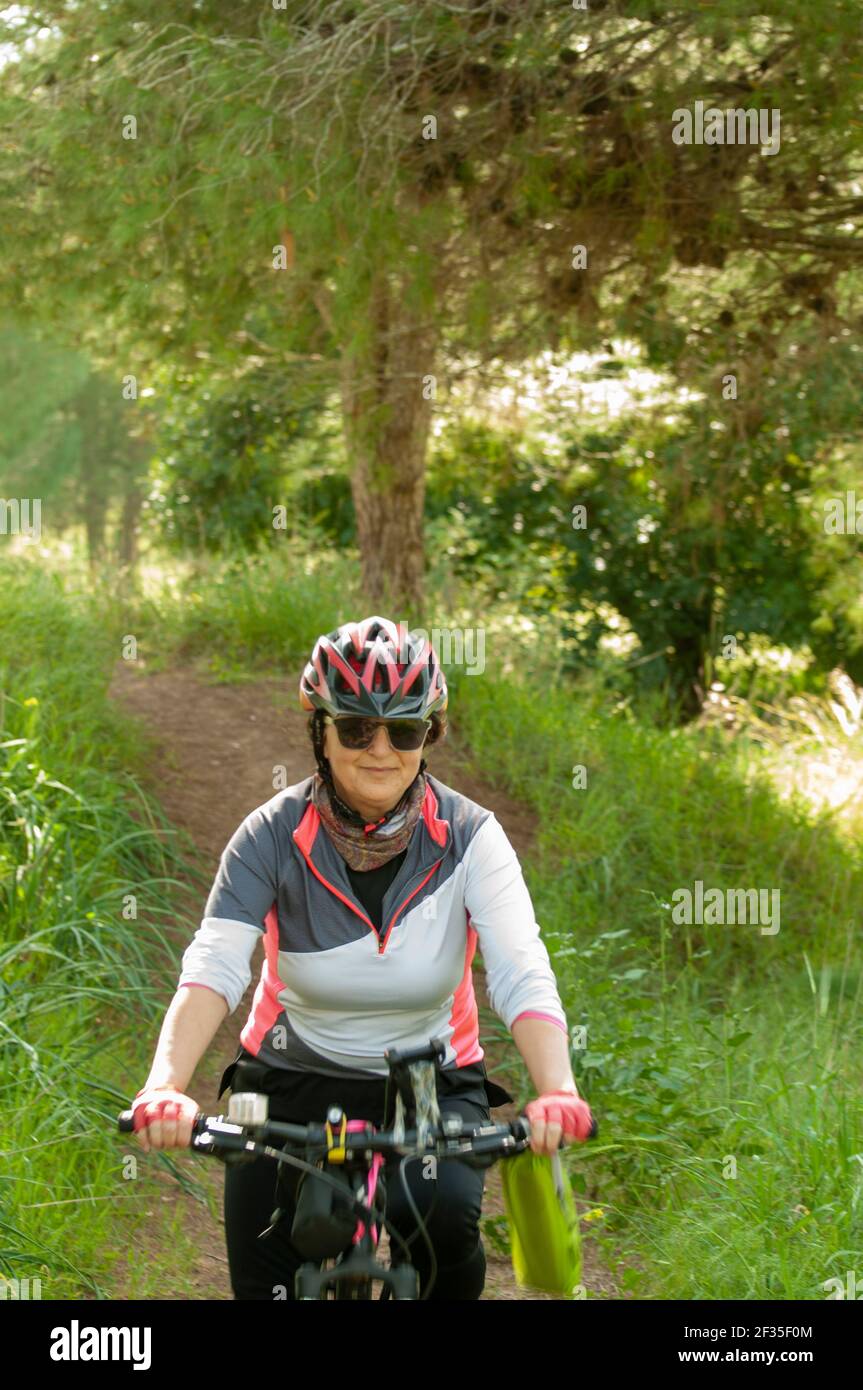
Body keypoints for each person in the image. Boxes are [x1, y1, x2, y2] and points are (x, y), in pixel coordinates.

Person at [132, 616, 593, 1299]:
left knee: (438, 1222)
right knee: (266, 1266)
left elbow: (519, 966)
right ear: (319, 732)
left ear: (428, 736)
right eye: (355, 729)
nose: (380, 749)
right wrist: (166, 1083)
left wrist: (556, 1088)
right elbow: (214, 965)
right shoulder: (269, 834)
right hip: (288, 1074)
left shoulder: (472, 839)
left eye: (405, 730)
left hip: (429, 1081)